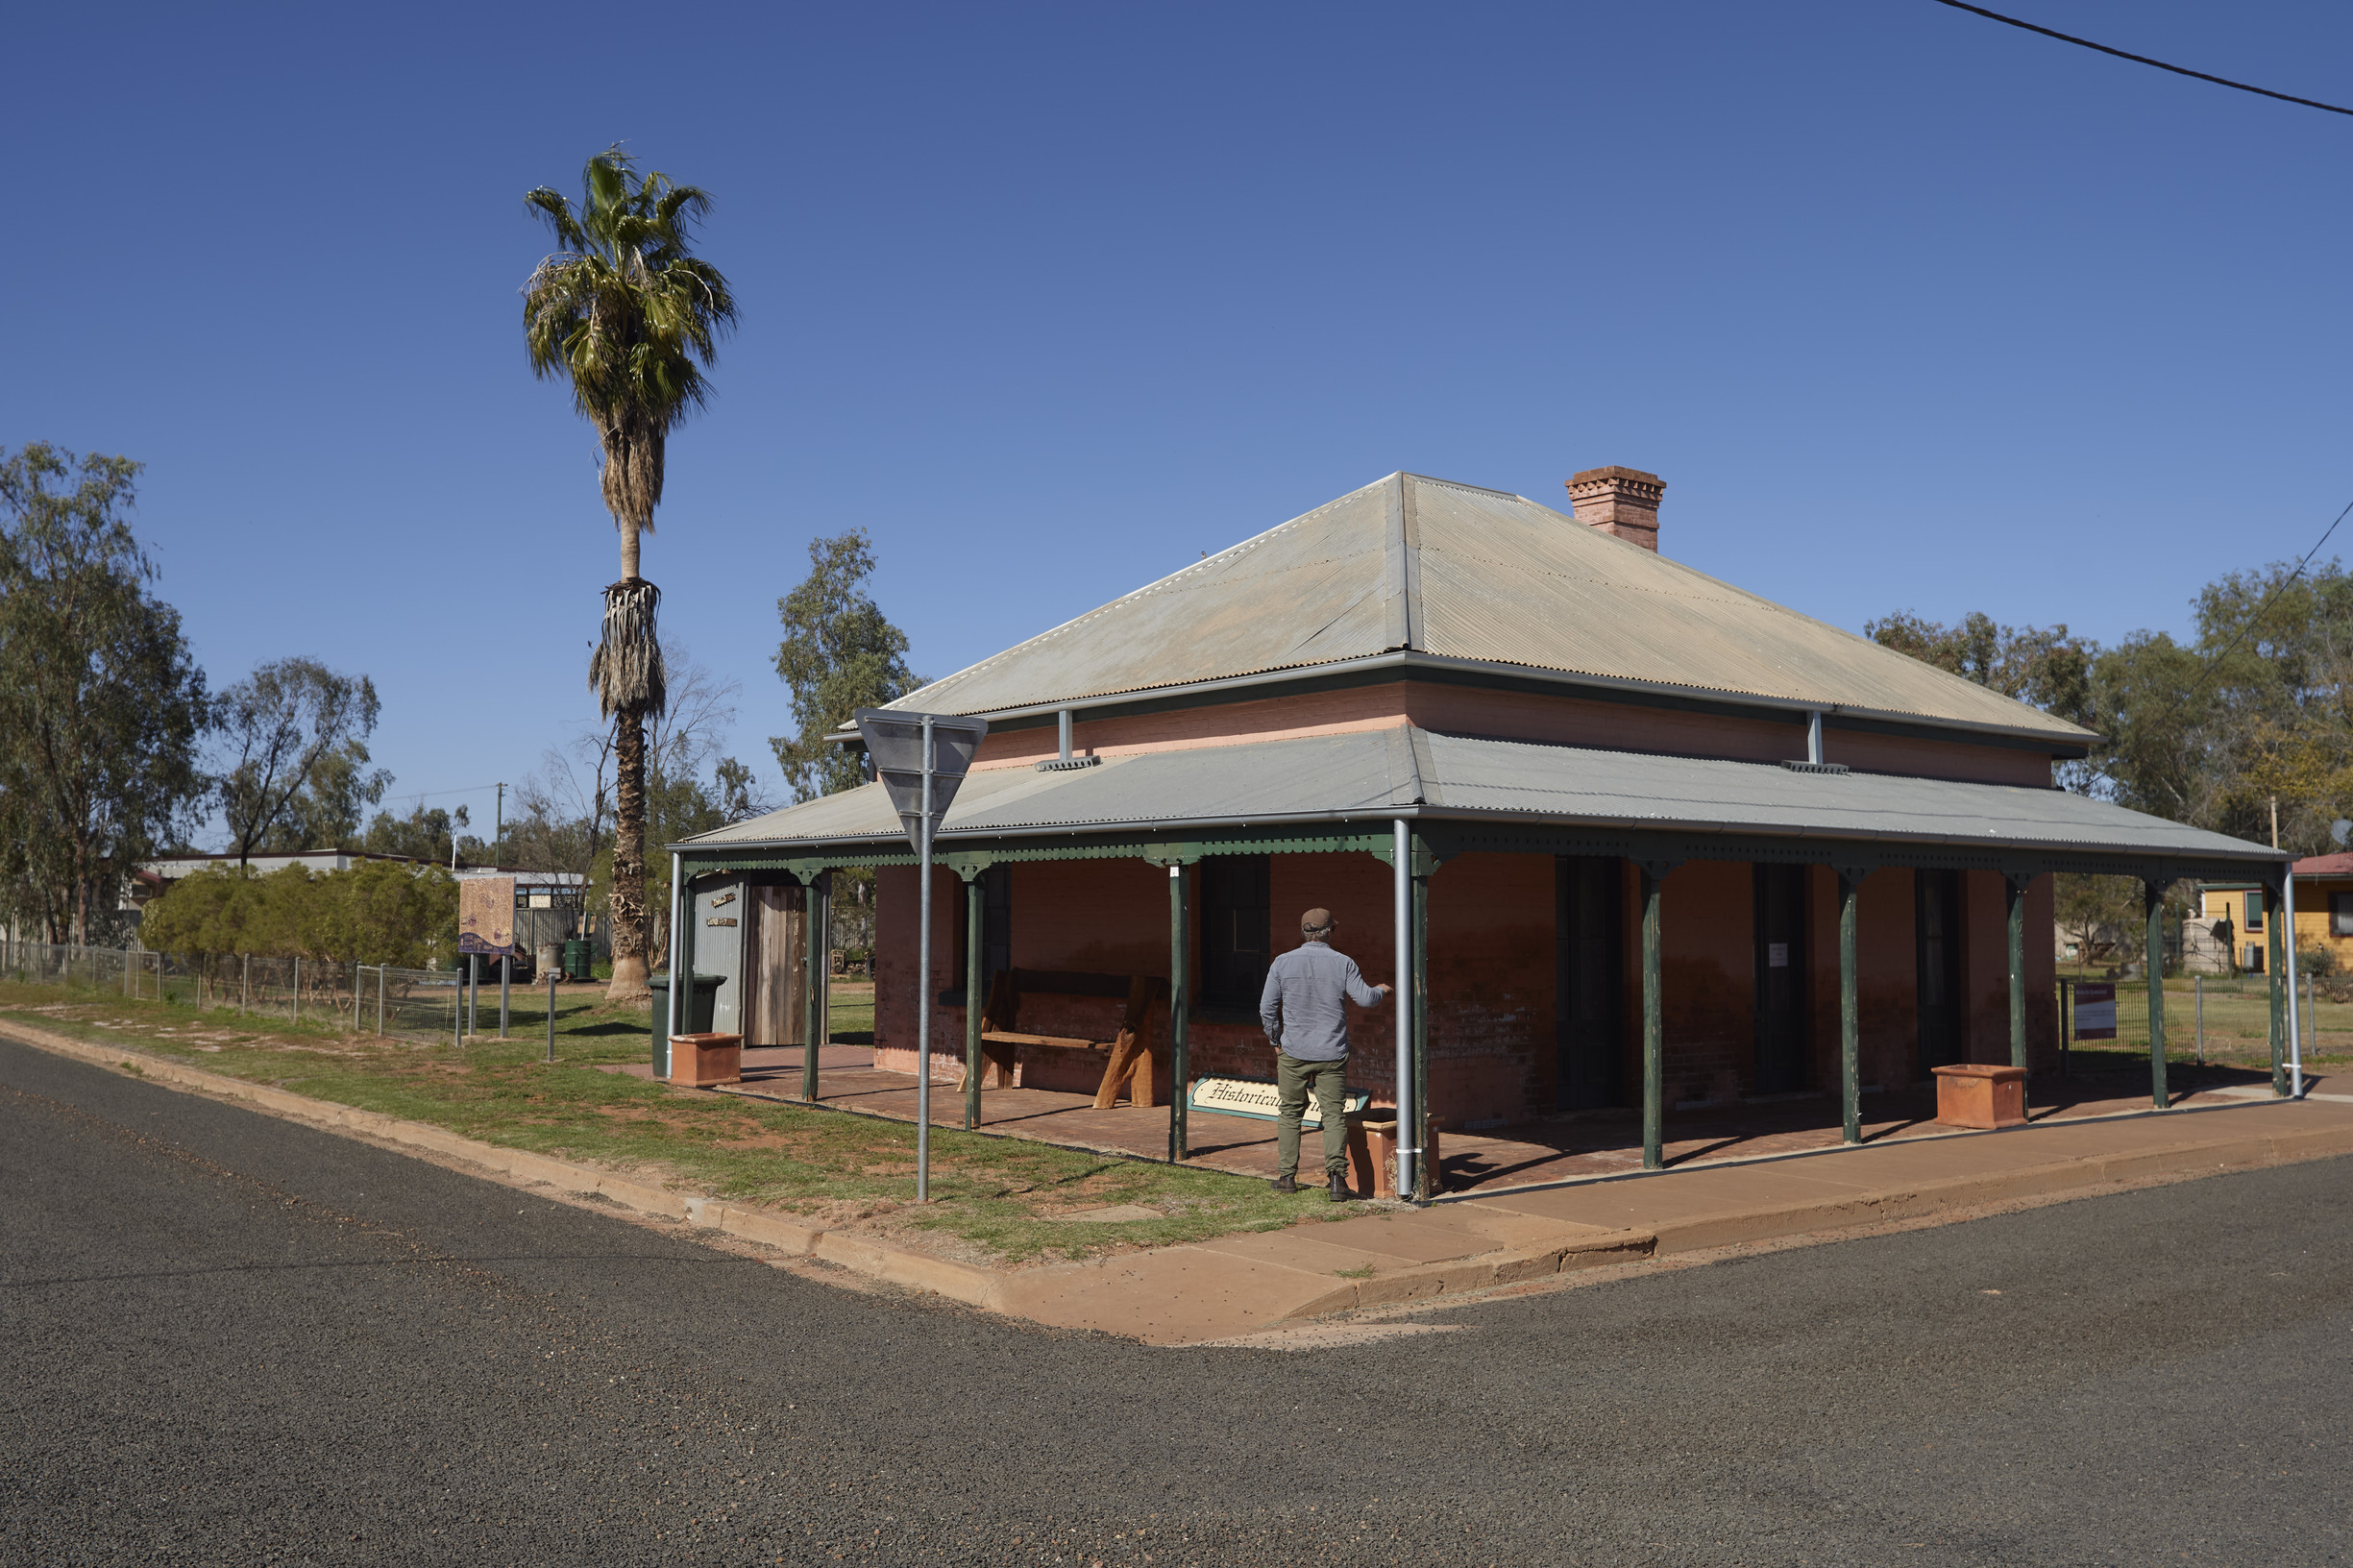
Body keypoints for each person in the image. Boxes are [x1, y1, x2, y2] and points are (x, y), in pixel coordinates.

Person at [1259, 907, 1391, 1200]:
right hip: (1331, 1052)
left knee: (1290, 1113)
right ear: (1329, 931)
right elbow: (1366, 1000)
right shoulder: (1343, 962)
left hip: (1293, 1052)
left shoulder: (1282, 962)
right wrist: (1381, 989)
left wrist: (1275, 1041)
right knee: (1333, 1115)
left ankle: (1287, 1177)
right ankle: (1336, 1181)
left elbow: (1267, 1008)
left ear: (1303, 932)